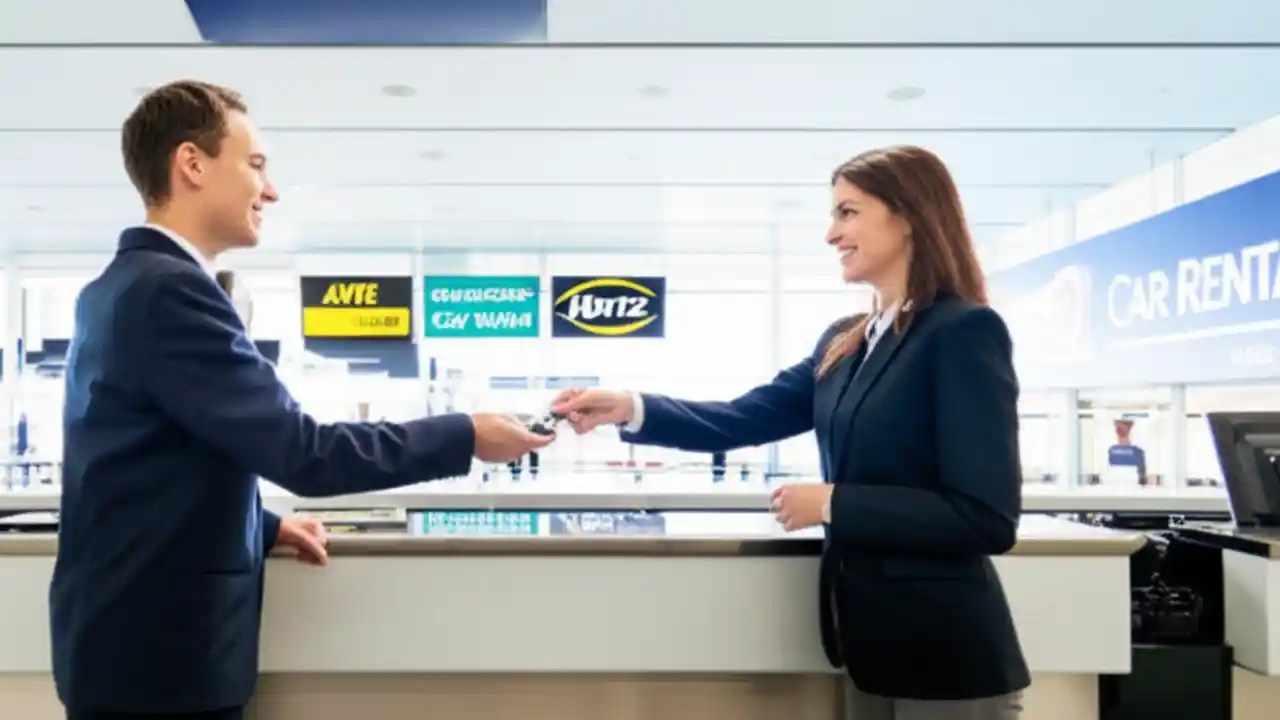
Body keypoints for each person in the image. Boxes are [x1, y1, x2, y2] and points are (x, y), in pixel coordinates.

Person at [51, 80, 552, 720]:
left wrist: (263, 526)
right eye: (255, 165)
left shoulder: (117, 287)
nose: (272, 190)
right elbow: (305, 452)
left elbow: (138, 467)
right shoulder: (171, 293)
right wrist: (467, 435)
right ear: (192, 164)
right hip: (160, 669)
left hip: (122, 649)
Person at [553, 145, 1030, 719]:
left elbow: (985, 516)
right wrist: (628, 407)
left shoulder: (962, 332)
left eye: (848, 213)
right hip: (872, 648)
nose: (832, 234)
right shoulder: (847, 338)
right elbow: (742, 418)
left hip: (948, 657)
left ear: (907, 217)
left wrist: (834, 502)